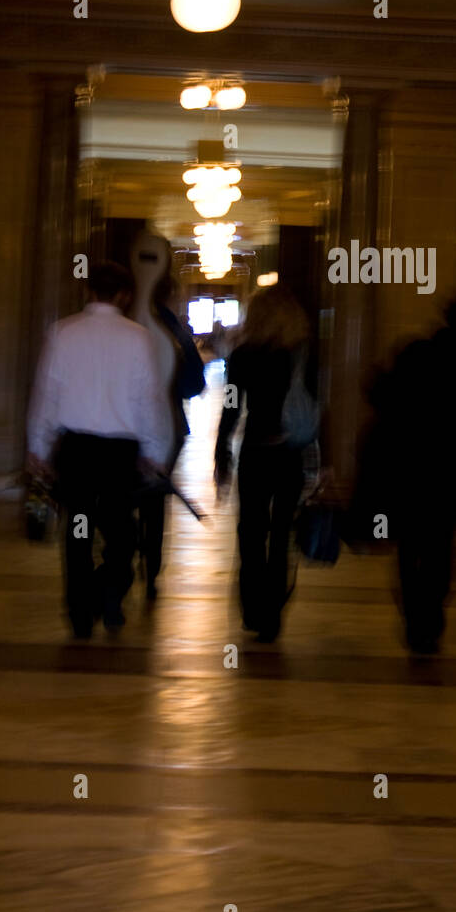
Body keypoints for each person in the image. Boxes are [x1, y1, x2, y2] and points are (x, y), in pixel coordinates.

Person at [26, 261, 171, 638]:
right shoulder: (137, 337)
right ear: (124, 295)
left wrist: (37, 448)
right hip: (119, 457)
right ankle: (109, 592)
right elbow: (148, 400)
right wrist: (155, 450)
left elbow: (47, 394)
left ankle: (79, 613)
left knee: (78, 533)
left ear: (89, 291)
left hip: (75, 454)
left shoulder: (62, 333)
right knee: (122, 536)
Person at [368, 291, 456, 656]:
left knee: (409, 546)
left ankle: (415, 617)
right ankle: (428, 620)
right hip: (448, 474)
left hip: (407, 468)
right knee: (439, 546)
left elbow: (383, 397)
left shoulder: (414, 352)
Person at [215, 285, 315, 643]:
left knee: (252, 532)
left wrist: (221, 452)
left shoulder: (243, 356)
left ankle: (253, 608)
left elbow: (230, 405)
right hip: (289, 455)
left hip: (256, 453)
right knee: (281, 533)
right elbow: (317, 408)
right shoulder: (301, 356)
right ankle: (274, 611)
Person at [135, 268, 206, 600]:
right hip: (169, 424)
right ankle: (151, 567)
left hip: (127, 425)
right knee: (154, 498)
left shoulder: (130, 323)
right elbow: (195, 385)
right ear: (171, 295)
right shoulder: (177, 331)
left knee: (123, 496)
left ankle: (127, 548)